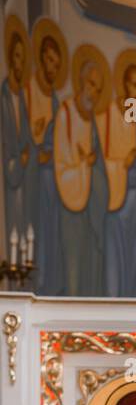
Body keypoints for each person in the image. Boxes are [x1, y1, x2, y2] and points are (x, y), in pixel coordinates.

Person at [99, 53, 136, 297]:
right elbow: (97, 160)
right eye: (134, 85)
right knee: (115, 256)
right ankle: (113, 303)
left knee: (135, 258)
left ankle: (133, 303)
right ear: (123, 83)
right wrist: (123, 162)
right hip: (114, 198)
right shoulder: (106, 116)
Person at [54, 48, 109, 295]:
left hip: (92, 205)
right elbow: (62, 159)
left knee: (92, 262)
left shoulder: (128, 111)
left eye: (98, 89)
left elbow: (102, 160)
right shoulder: (65, 113)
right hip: (71, 199)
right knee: (73, 262)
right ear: (80, 81)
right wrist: (83, 166)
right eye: (91, 84)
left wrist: (93, 165)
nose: (94, 92)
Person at [25, 22, 66, 294]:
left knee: (53, 234)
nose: (52, 67)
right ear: (40, 59)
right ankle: (38, 281)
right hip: (34, 178)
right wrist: (35, 142)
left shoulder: (55, 100)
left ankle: (50, 281)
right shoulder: (26, 92)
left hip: (54, 178)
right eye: (49, 60)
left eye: (56, 63)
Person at [1, 19, 33, 243]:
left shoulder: (22, 100)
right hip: (10, 187)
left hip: (25, 183)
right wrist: (18, 162)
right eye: (18, 56)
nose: (20, 64)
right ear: (11, 57)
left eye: (24, 58)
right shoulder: (3, 100)